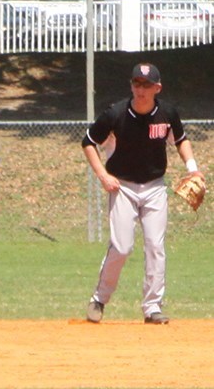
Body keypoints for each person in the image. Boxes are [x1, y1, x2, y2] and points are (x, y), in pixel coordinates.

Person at [83, 63, 205, 325]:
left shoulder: (167, 113)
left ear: (157, 88)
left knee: (155, 246)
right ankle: (99, 299)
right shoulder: (115, 114)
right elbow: (89, 143)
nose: (140, 89)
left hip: (154, 186)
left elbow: (181, 139)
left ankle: (152, 307)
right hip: (122, 187)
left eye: (146, 85)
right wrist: (103, 175)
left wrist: (192, 169)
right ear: (131, 86)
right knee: (122, 246)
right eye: (136, 83)